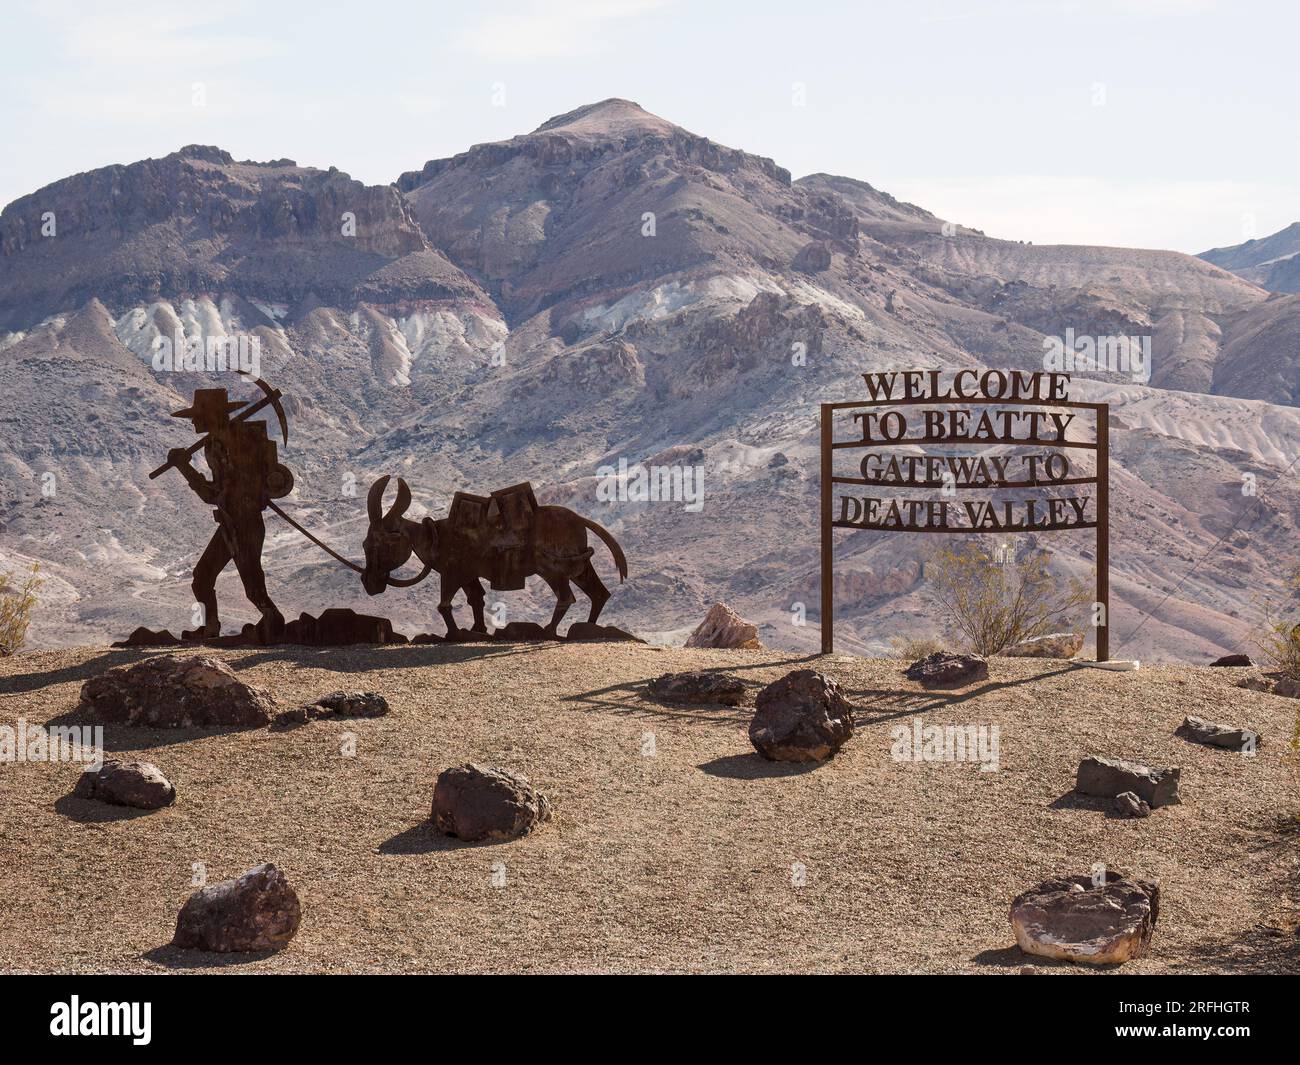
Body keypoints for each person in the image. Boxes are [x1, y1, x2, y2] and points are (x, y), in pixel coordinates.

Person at [166, 388, 293, 642]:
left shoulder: (234, 443)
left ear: (210, 415)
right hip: (230, 522)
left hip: (244, 524)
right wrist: (186, 467)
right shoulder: (216, 443)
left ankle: (272, 621)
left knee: (252, 585)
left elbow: (214, 495)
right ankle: (210, 627)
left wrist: (185, 468)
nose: (193, 421)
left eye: (197, 415)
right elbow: (217, 494)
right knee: (202, 577)